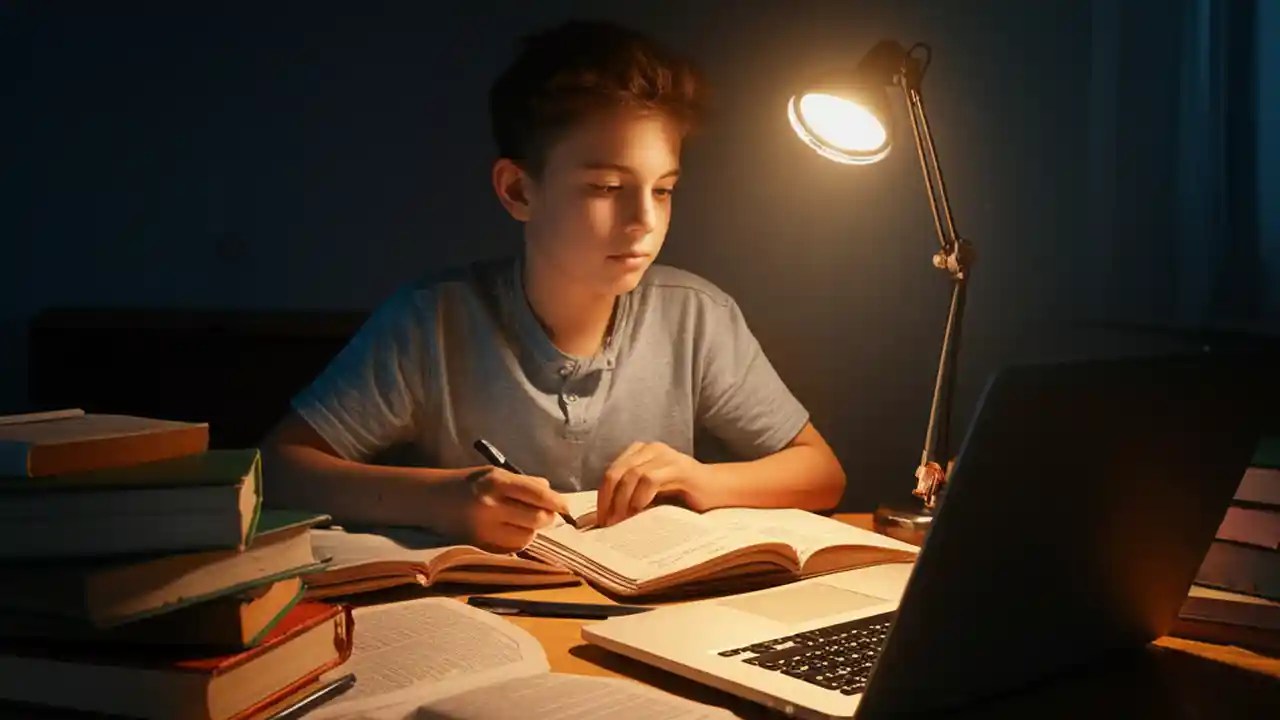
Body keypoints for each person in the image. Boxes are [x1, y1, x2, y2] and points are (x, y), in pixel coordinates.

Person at [262, 19, 846, 553]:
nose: (644, 219)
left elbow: (821, 473)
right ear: (518, 191)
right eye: (606, 188)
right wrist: (444, 500)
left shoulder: (695, 316)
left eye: (663, 189)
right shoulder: (432, 323)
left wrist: (702, 479)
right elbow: (280, 467)